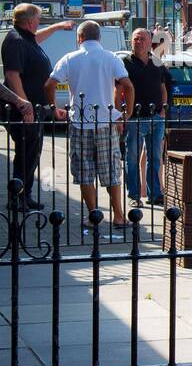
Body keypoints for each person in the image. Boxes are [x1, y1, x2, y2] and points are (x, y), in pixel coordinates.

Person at [44, 21, 135, 230]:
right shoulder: (111, 57)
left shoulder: (70, 58)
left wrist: (54, 108)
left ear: (79, 38)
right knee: (111, 170)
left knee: (84, 171)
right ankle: (119, 217)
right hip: (106, 122)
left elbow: (49, 84)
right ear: (99, 37)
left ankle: (94, 216)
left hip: (79, 122)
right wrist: (126, 114)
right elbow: (128, 86)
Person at [2, 4, 73, 210]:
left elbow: (37, 37)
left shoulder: (25, 38)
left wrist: (58, 27)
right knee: (25, 152)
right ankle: (16, 198)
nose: (40, 22)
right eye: (39, 19)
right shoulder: (15, 40)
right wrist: (25, 105)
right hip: (22, 109)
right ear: (30, 21)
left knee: (32, 152)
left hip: (35, 107)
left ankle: (26, 194)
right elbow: (12, 75)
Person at [120, 28, 171, 208]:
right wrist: (122, 114)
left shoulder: (157, 62)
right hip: (134, 118)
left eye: (142, 39)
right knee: (132, 158)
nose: (138, 41)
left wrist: (163, 111)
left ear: (150, 42)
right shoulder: (124, 62)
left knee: (155, 158)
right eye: (135, 39)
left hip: (156, 117)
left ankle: (155, 194)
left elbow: (163, 88)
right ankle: (134, 195)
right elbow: (118, 90)